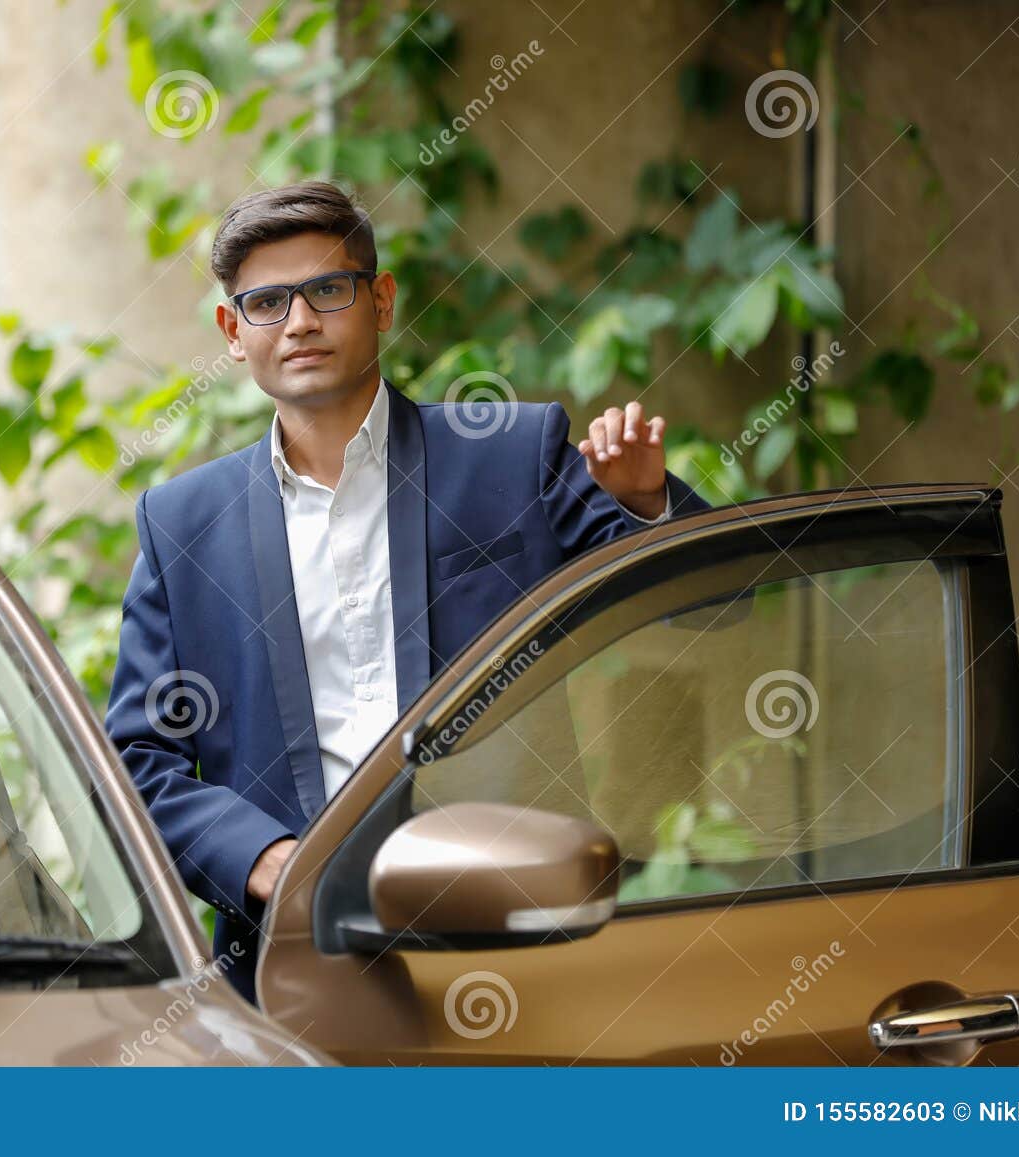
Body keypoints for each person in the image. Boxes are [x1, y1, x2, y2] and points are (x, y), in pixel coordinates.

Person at [105, 180, 709, 1003]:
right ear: (232, 331)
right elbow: (139, 761)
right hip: (296, 962)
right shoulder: (182, 527)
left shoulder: (513, 458)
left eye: (328, 289)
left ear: (380, 301)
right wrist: (269, 863)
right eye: (267, 302)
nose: (301, 322)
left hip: (517, 935)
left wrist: (647, 507)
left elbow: (705, 604)